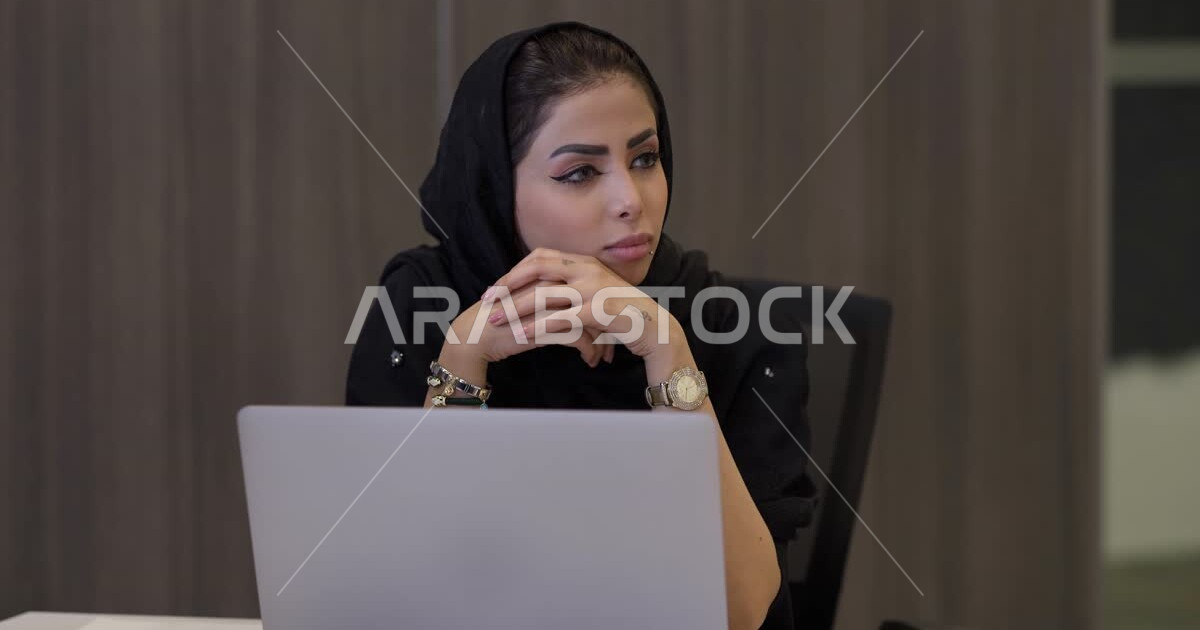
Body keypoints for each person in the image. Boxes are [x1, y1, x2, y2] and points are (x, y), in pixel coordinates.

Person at [346, 21, 815, 630]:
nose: (631, 198)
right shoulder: (419, 305)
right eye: (579, 173)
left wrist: (668, 350)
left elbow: (741, 610)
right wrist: (462, 360)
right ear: (496, 187)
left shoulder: (733, 326)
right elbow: (400, 596)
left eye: (645, 158)